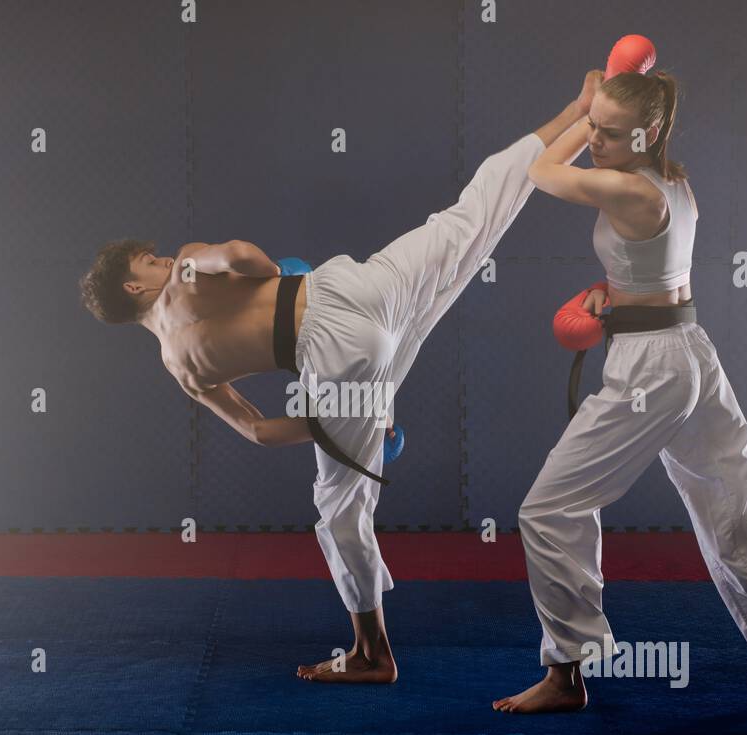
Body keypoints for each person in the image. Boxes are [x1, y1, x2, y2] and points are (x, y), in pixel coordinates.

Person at [79, 73, 607, 684]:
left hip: (340, 356)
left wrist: (333, 425)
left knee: (340, 507)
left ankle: (372, 652)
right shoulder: (190, 267)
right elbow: (247, 256)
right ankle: (582, 116)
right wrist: (265, 271)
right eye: (151, 261)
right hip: (348, 289)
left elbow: (256, 432)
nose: (165, 258)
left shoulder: (181, 367)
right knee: (468, 218)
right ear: (133, 286)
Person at [494, 70, 747, 712]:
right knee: (733, 524)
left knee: (548, 511)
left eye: (606, 130)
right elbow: (658, 279)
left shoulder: (634, 190)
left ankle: (566, 675)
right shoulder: (675, 183)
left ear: (649, 130)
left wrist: (577, 110)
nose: (595, 138)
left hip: (651, 372)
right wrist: (611, 296)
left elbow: (539, 172)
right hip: (689, 354)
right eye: (593, 127)